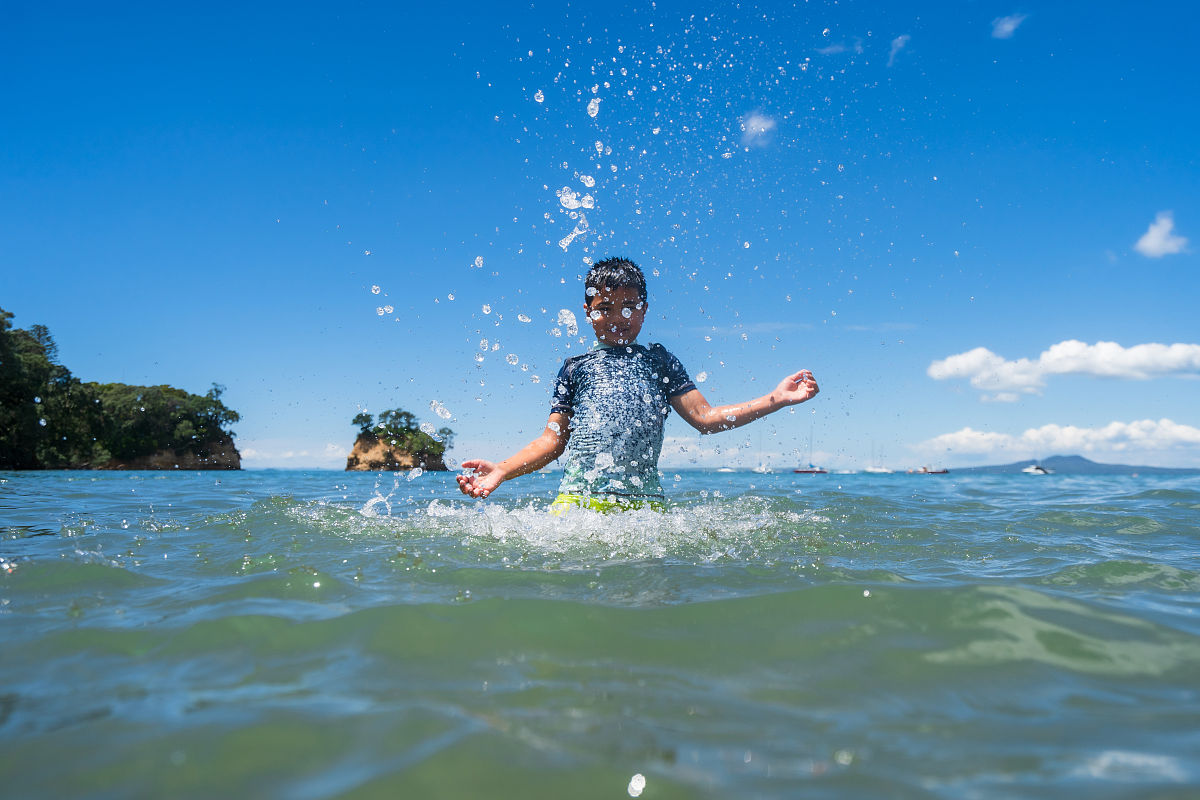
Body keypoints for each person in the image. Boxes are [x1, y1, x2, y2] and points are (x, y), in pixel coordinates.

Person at [456, 257, 820, 512]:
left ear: (645, 308)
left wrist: (775, 399)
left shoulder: (659, 361)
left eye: (628, 307)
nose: (617, 318)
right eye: (605, 308)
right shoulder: (574, 369)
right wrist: (502, 469)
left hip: (644, 508)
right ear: (587, 312)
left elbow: (706, 419)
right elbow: (551, 443)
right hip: (577, 504)